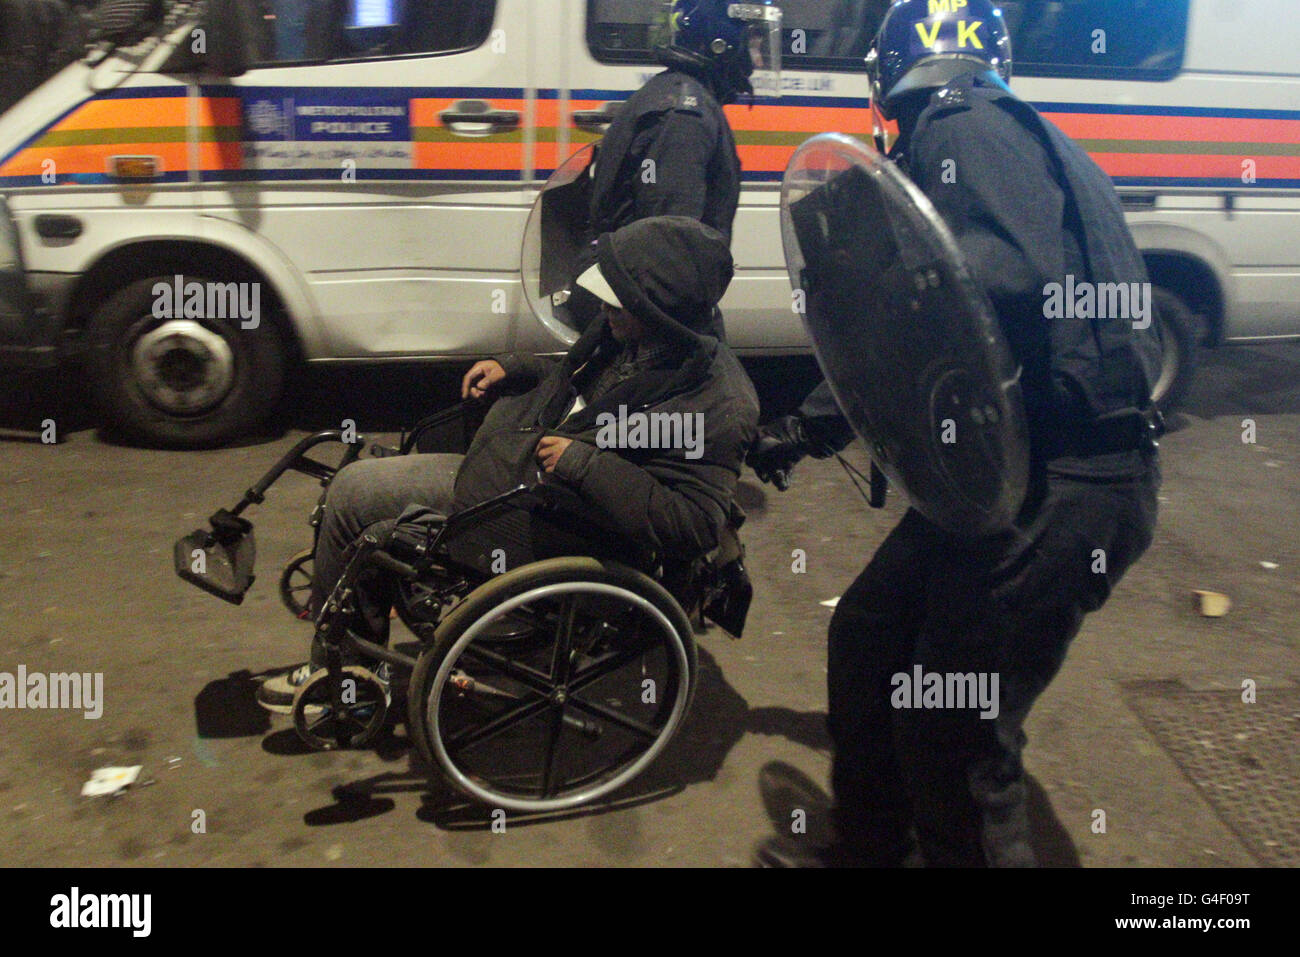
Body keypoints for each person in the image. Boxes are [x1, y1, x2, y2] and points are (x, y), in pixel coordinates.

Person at [752, 0, 1163, 866]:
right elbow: (953, 324)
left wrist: (876, 299)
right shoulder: (1011, 131)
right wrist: (814, 421)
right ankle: (868, 847)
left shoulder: (961, 124)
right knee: (867, 634)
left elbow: (985, 292)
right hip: (1004, 472)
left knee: (952, 728)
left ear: (887, 89)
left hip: (1060, 485)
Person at [257, 216, 759, 712]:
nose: (604, 307)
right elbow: (572, 381)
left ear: (657, 309)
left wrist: (585, 464)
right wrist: (514, 367)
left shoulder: (718, 404)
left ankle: (341, 681)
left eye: (617, 300)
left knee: (353, 496)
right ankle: (357, 661)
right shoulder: (635, 337)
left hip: (534, 514)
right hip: (511, 470)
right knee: (362, 485)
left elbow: (691, 523)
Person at [564, 0, 777, 338]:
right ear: (722, 44)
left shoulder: (681, 97)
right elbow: (670, 248)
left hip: (633, 301)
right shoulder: (683, 118)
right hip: (642, 314)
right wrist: (690, 341)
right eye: (752, 43)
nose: (759, 59)